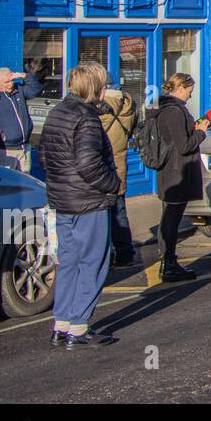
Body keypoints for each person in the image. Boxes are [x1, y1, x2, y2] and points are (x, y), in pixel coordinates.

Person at [40, 61, 119, 349]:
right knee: (92, 263)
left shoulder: (58, 111)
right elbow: (89, 163)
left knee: (69, 262)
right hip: (88, 200)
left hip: (63, 199)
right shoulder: (86, 118)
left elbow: (45, 156)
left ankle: (61, 324)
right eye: (104, 85)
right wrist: (112, 183)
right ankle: (79, 327)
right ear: (95, 87)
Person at [153, 73, 210, 281]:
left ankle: (169, 262)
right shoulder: (174, 112)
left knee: (170, 217)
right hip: (176, 172)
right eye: (189, 91)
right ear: (179, 88)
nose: (190, 95)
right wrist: (201, 132)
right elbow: (184, 145)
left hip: (171, 171)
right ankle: (169, 265)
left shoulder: (165, 108)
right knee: (171, 219)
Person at [97, 84, 138, 266]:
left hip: (103, 168)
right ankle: (125, 254)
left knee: (102, 217)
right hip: (119, 166)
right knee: (119, 212)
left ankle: (107, 256)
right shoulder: (127, 104)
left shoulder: (102, 108)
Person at [0, 66, 43, 172]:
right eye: (6, 82)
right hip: (5, 150)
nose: (10, 84)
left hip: (24, 147)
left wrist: (23, 76)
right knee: (7, 182)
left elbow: (36, 89)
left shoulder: (18, 90)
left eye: (12, 80)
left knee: (26, 181)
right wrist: (0, 135)